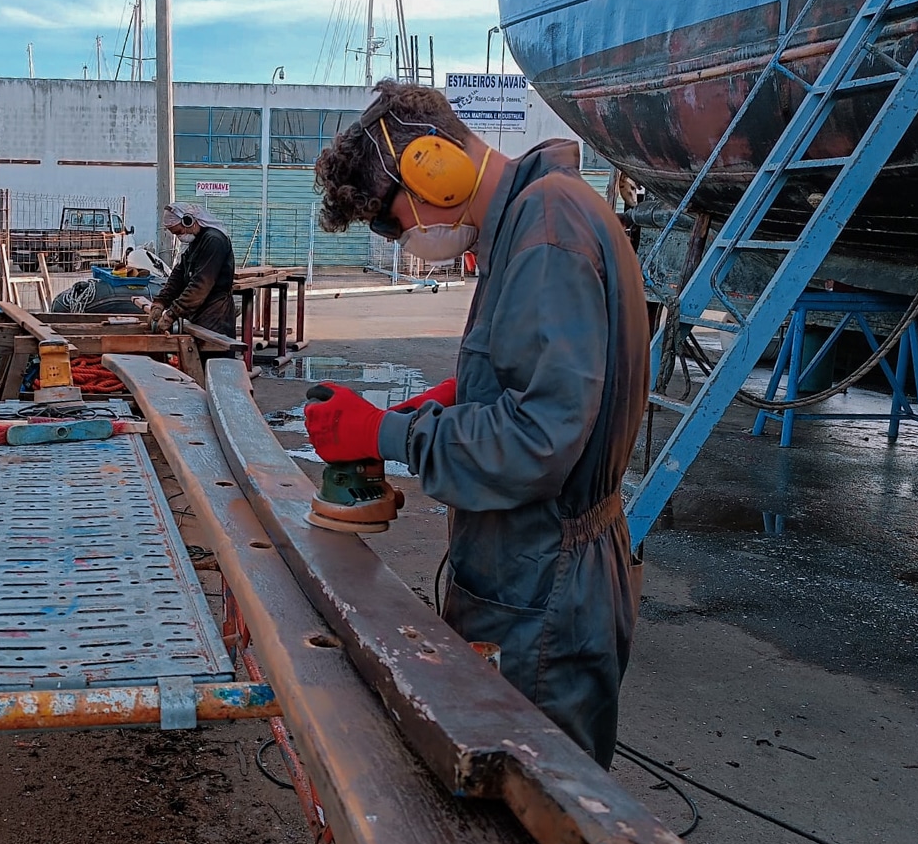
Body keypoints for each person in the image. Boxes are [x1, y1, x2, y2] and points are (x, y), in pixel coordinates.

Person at [305, 81, 649, 768]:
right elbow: (539, 374)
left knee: (533, 825)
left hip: (545, 588)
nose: (404, 239)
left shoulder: (546, 233)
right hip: (533, 572)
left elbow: (538, 441)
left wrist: (387, 437)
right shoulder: (533, 220)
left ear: (435, 165)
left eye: (393, 220)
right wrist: (443, 402)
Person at [147, 202, 238, 338]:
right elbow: (178, 275)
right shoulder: (196, 242)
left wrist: (172, 314)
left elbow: (200, 285)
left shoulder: (214, 241)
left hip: (215, 315)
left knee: (214, 357)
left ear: (188, 221)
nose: (179, 236)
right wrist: (160, 302)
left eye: (179, 231)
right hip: (199, 312)